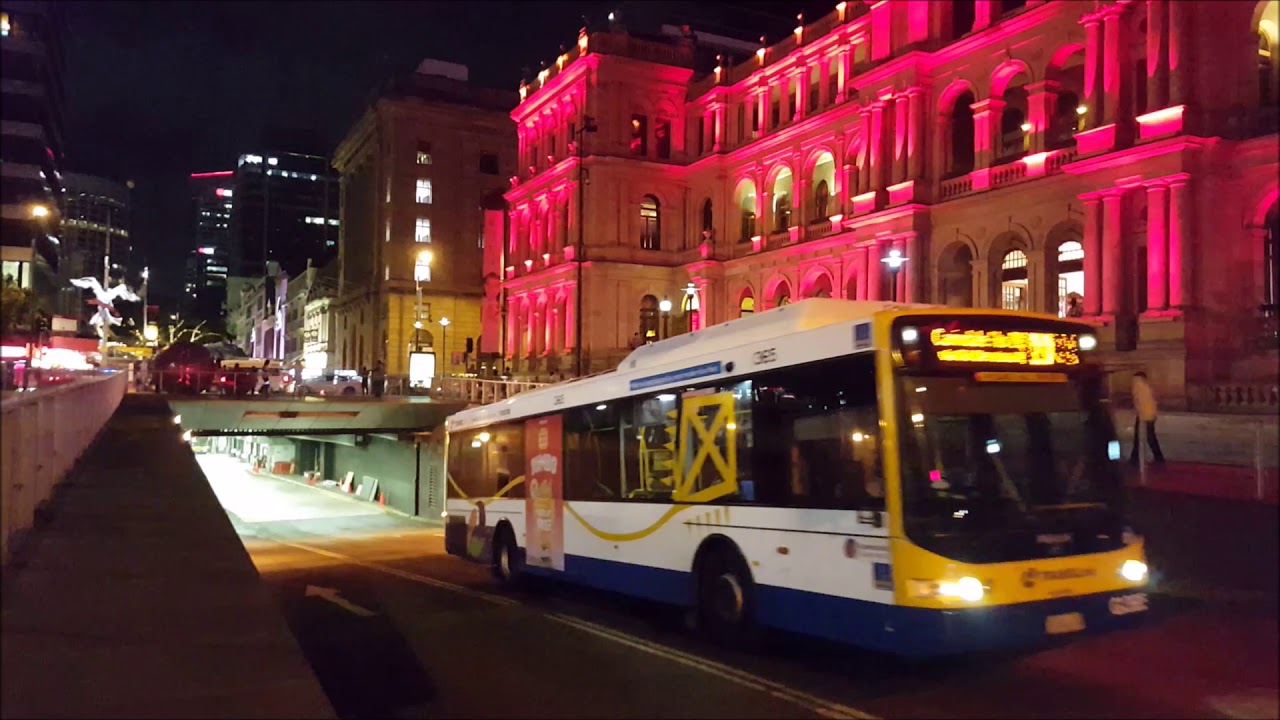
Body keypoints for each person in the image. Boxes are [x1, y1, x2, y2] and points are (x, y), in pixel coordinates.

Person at [1130, 371, 1165, 467]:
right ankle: (1157, 458)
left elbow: (1141, 401)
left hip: (1144, 415)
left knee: (1145, 438)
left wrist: (1140, 412)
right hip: (1148, 415)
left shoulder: (1140, 387)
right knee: (1147, 438)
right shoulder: (1147, 387)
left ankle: (1157, 459)